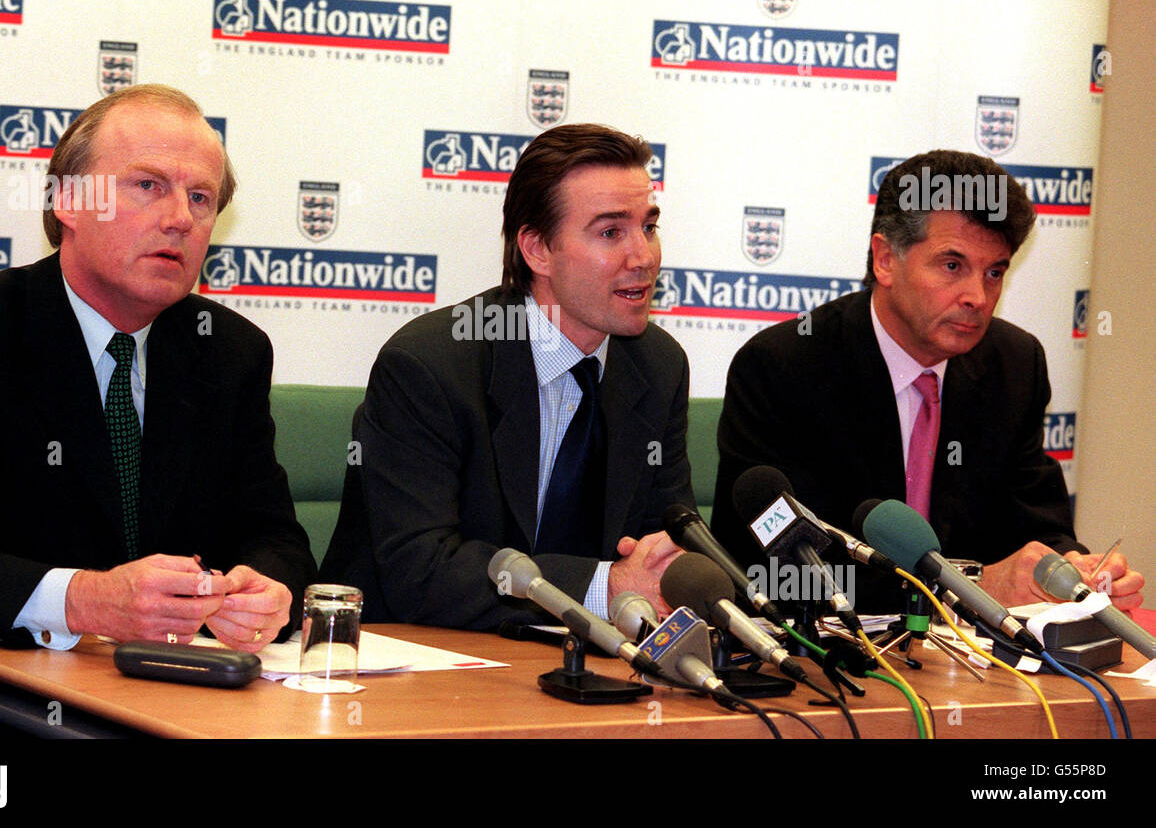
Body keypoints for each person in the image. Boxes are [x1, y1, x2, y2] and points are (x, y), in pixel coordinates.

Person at [0, 85, 317, 730]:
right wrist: (83, 600)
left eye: (200, 198)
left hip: (184, 702)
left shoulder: (229, 351)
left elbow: (275, 536)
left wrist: (266, 591)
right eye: (147, 186)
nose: (180, 219)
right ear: (68, 201)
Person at [713, 150, 1143, 612]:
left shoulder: (1014, 365)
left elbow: (1036, 525)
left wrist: (1073, 571)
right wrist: (968, 585)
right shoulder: (784, 367)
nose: (978, 297)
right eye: (952, 266)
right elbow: (775, 565)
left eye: (995, 272)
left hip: (971, 667)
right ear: (885, 259)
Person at [320, 123, 693, 628]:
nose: (644, 256)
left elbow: (666, 538)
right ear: (537, 249)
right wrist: (606, 585)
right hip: (419, 665)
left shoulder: (657, 366)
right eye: (611, 232)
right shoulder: (429, 366)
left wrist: (670, 571)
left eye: (648, 227)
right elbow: (419, 571)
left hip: (588, 669)